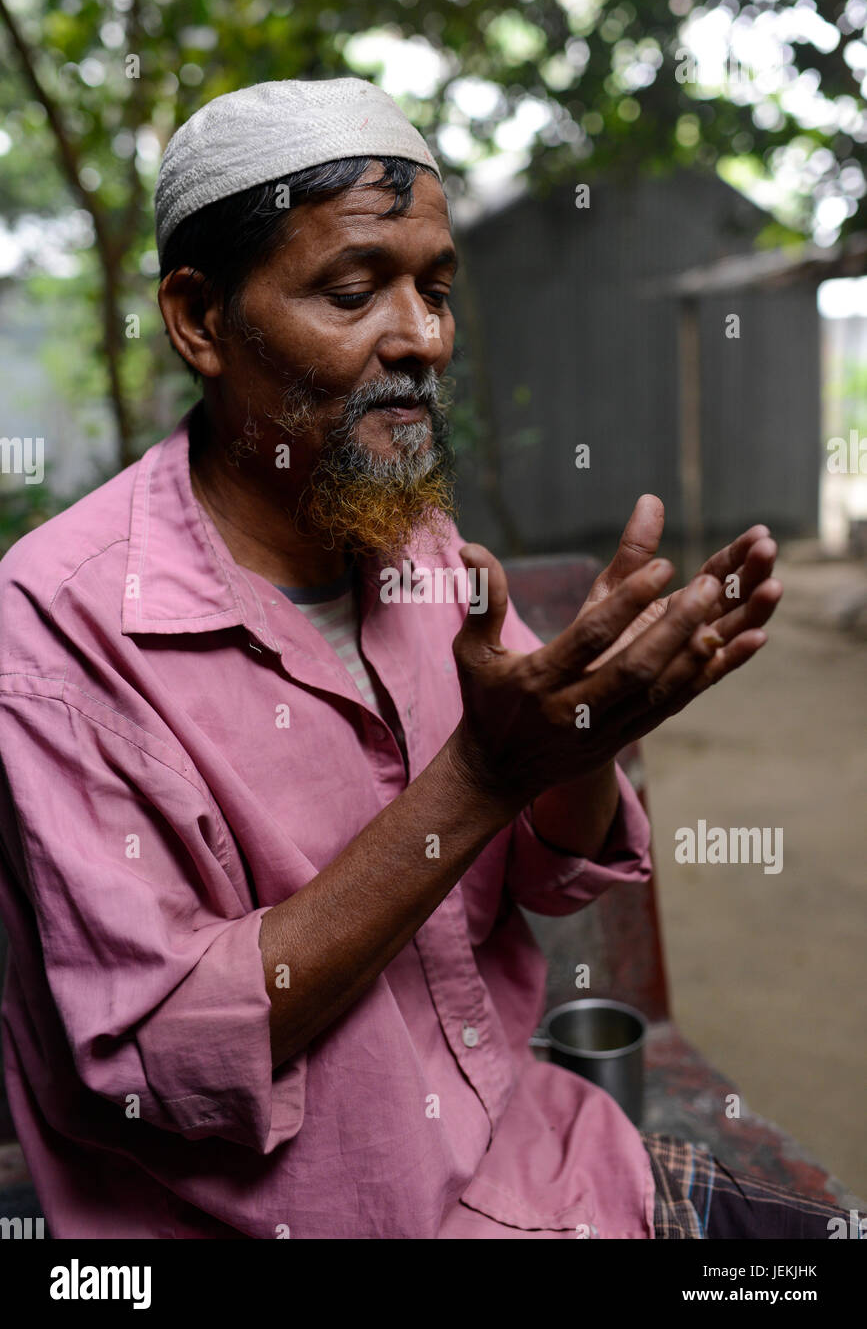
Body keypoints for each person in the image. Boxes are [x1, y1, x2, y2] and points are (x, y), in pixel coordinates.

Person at [0, 76, 830, 1240]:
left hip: (555, 1175)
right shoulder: (57, 628)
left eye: (436, 291)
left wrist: (590, 726)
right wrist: (482, 778)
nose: (423, 339)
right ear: (197, 320)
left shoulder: (421, 548)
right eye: (354, 291)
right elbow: (173, 1049)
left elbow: (550, 872)